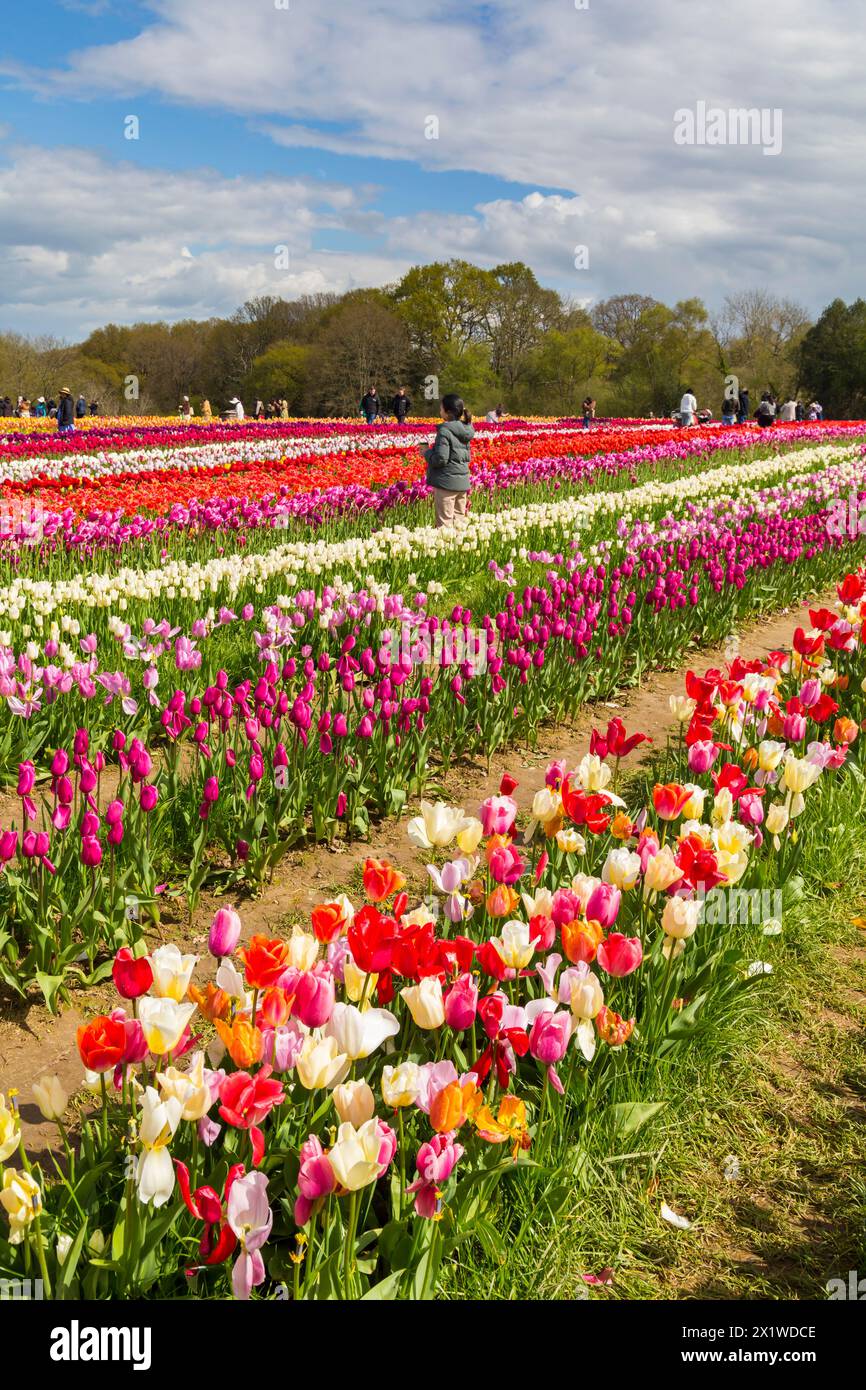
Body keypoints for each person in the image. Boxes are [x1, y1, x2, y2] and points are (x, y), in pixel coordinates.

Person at [421, 393, 474, 529]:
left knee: (444, 526)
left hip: (446, 484)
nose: (440, 411)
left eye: (441, 408)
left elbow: (441, 459)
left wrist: (426, 452)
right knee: (459, 524)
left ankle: (448, 550)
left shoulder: (445, 430)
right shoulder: (466, 430)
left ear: (448, 412)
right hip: (462, 484)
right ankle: (460, 550)